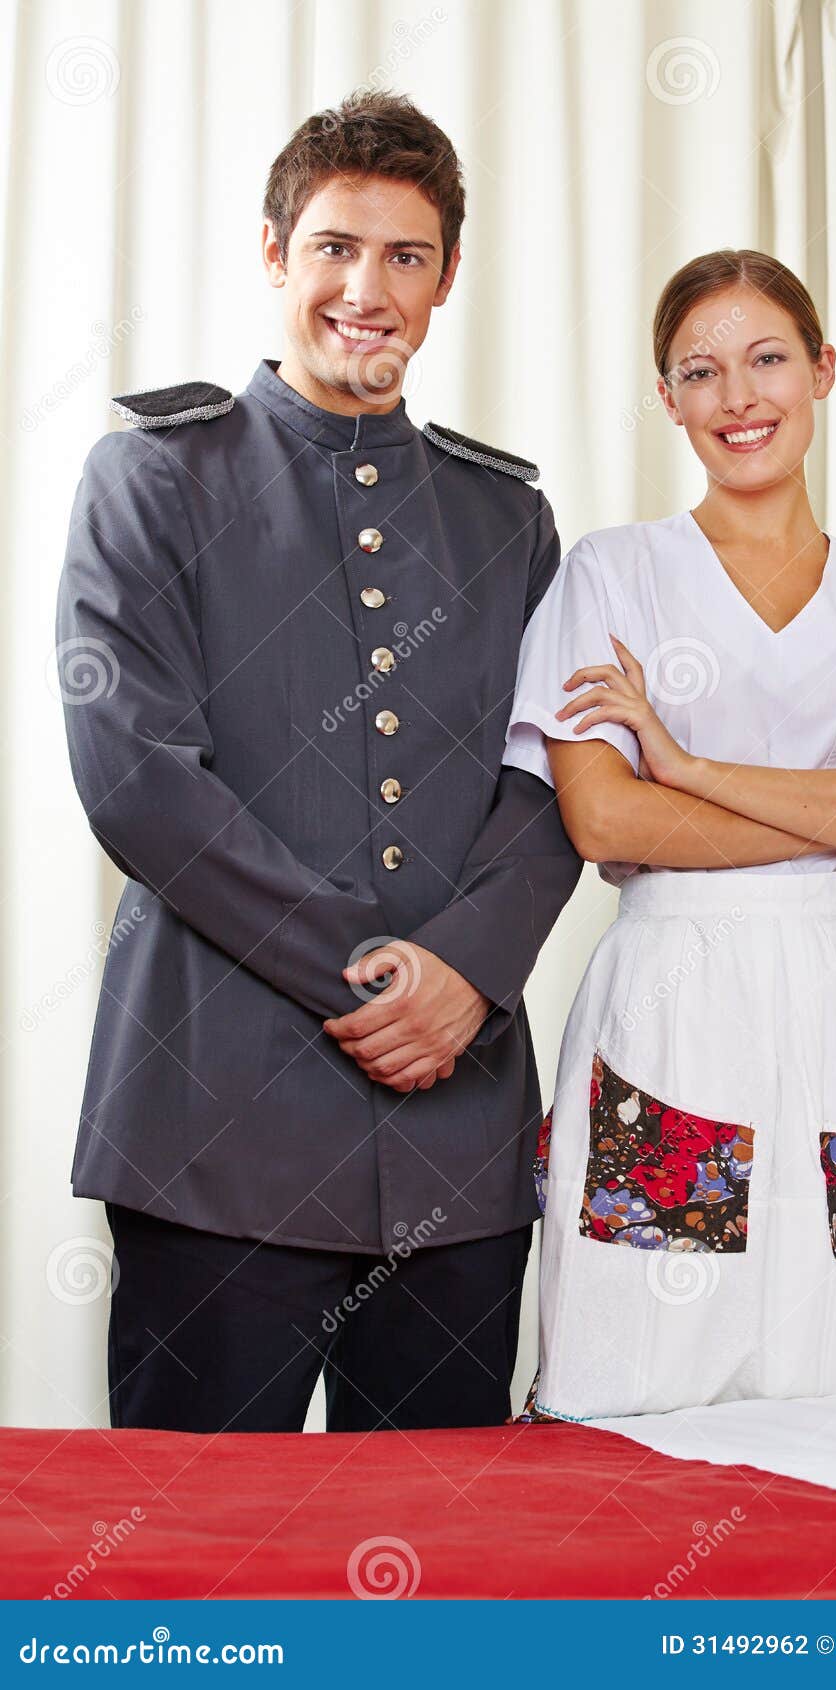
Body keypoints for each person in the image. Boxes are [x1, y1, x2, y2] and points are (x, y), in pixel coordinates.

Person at [55, 90, 582, 1434]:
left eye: (406, 256)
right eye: (337, 247)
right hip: (215, 1129)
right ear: (276, 252)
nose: (367, 288)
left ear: (447, 278)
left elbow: (550, 778)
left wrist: (462, 975)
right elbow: (136, 773)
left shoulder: (504, 515)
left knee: (442, 1593)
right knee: (197, 1572)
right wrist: (376, 975)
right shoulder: (153, 478)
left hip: (455, 1148)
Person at [501, 248, 836, 1421]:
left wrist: (684, 764)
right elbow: (604, 816)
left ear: (820, 369)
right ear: (667, 399)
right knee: (647, 1354)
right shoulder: (611, 574)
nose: (737, 397)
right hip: (672, 997)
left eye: (765, 359)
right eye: (700, 371)